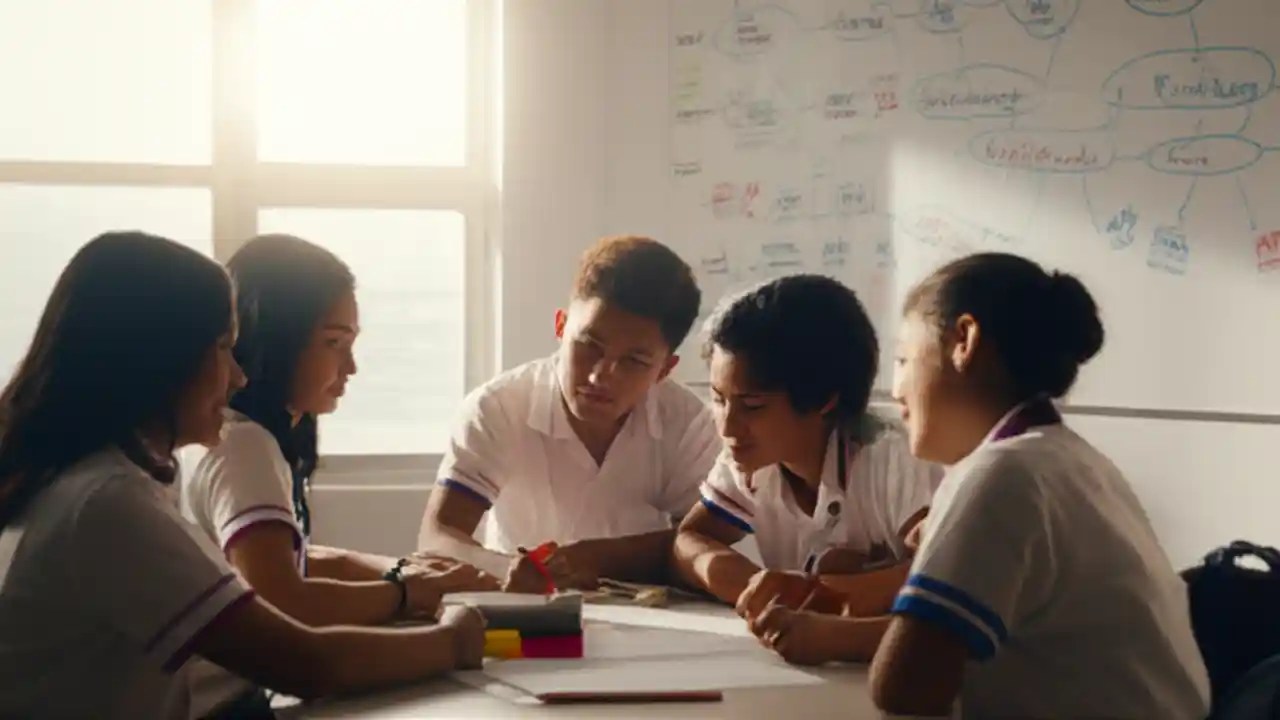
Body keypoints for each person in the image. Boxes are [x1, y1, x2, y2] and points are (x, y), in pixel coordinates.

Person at [0, 232, 484, 720]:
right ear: (159, 358)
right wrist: (454, 638)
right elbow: (303, 663)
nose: (238, 376)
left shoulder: (79, 478)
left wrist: (402, 582)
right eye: (223, 348)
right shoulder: (108, 503)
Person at [758, 253, 1209, 718]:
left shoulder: (1002, 476)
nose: (895, 390)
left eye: (903, 359)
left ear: (964, 341)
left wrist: (829, 635)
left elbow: (905, 686)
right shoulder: (1070, 459)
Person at [179, 234, 494, 714]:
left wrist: (399, 571)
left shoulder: (231, 436)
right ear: (275, 339)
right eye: (333, 343)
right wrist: (406, 595)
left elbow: (291, 557)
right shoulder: (243, 444)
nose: (350, 367)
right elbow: (280, 596)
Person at [418, 235, 722, 591]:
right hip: (527, 606)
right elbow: (437, 537)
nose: (599, 376)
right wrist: (505, 568)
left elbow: (702, 544)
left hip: (651, 610)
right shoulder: (498, 406)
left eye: (634, 362)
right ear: (561, 326)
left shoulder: (688, 422)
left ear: (664, 370)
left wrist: (591, 558)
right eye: (589, 345)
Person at [673, 274, 940, 658]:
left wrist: (830, 592)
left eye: (752, 406)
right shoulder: (751, 459)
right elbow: (688, 541)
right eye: (718, 399)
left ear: (823, 400)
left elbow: (952, 573)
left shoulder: (894, 458)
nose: (728, 426)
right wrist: (755, 586)